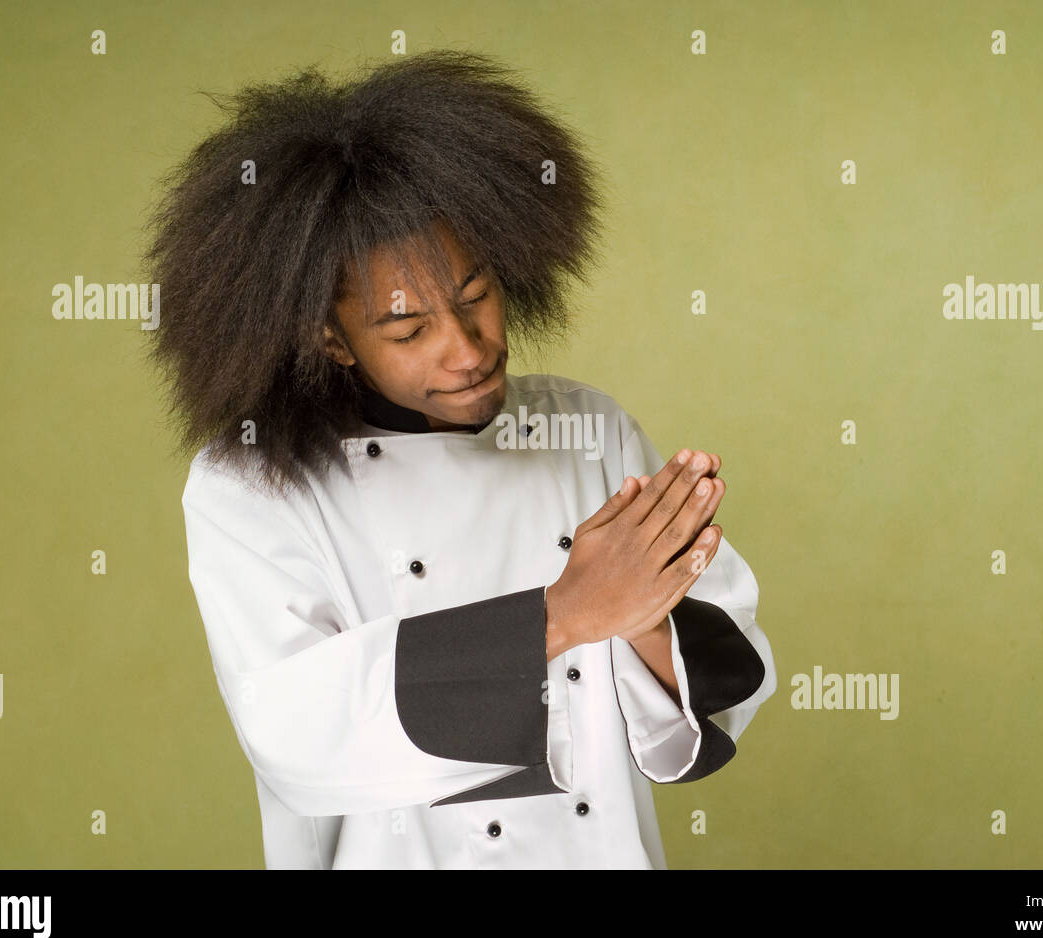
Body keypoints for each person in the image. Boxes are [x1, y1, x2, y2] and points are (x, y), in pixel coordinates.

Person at [143, 50, 776, 868]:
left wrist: (646, 614)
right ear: (329, 338)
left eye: (476, 297)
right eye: (409, 331)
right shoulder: (252, 485)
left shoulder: (586, 427)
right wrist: (567, 612)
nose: (468, 349)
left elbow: (724, 691)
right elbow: (299, 732)